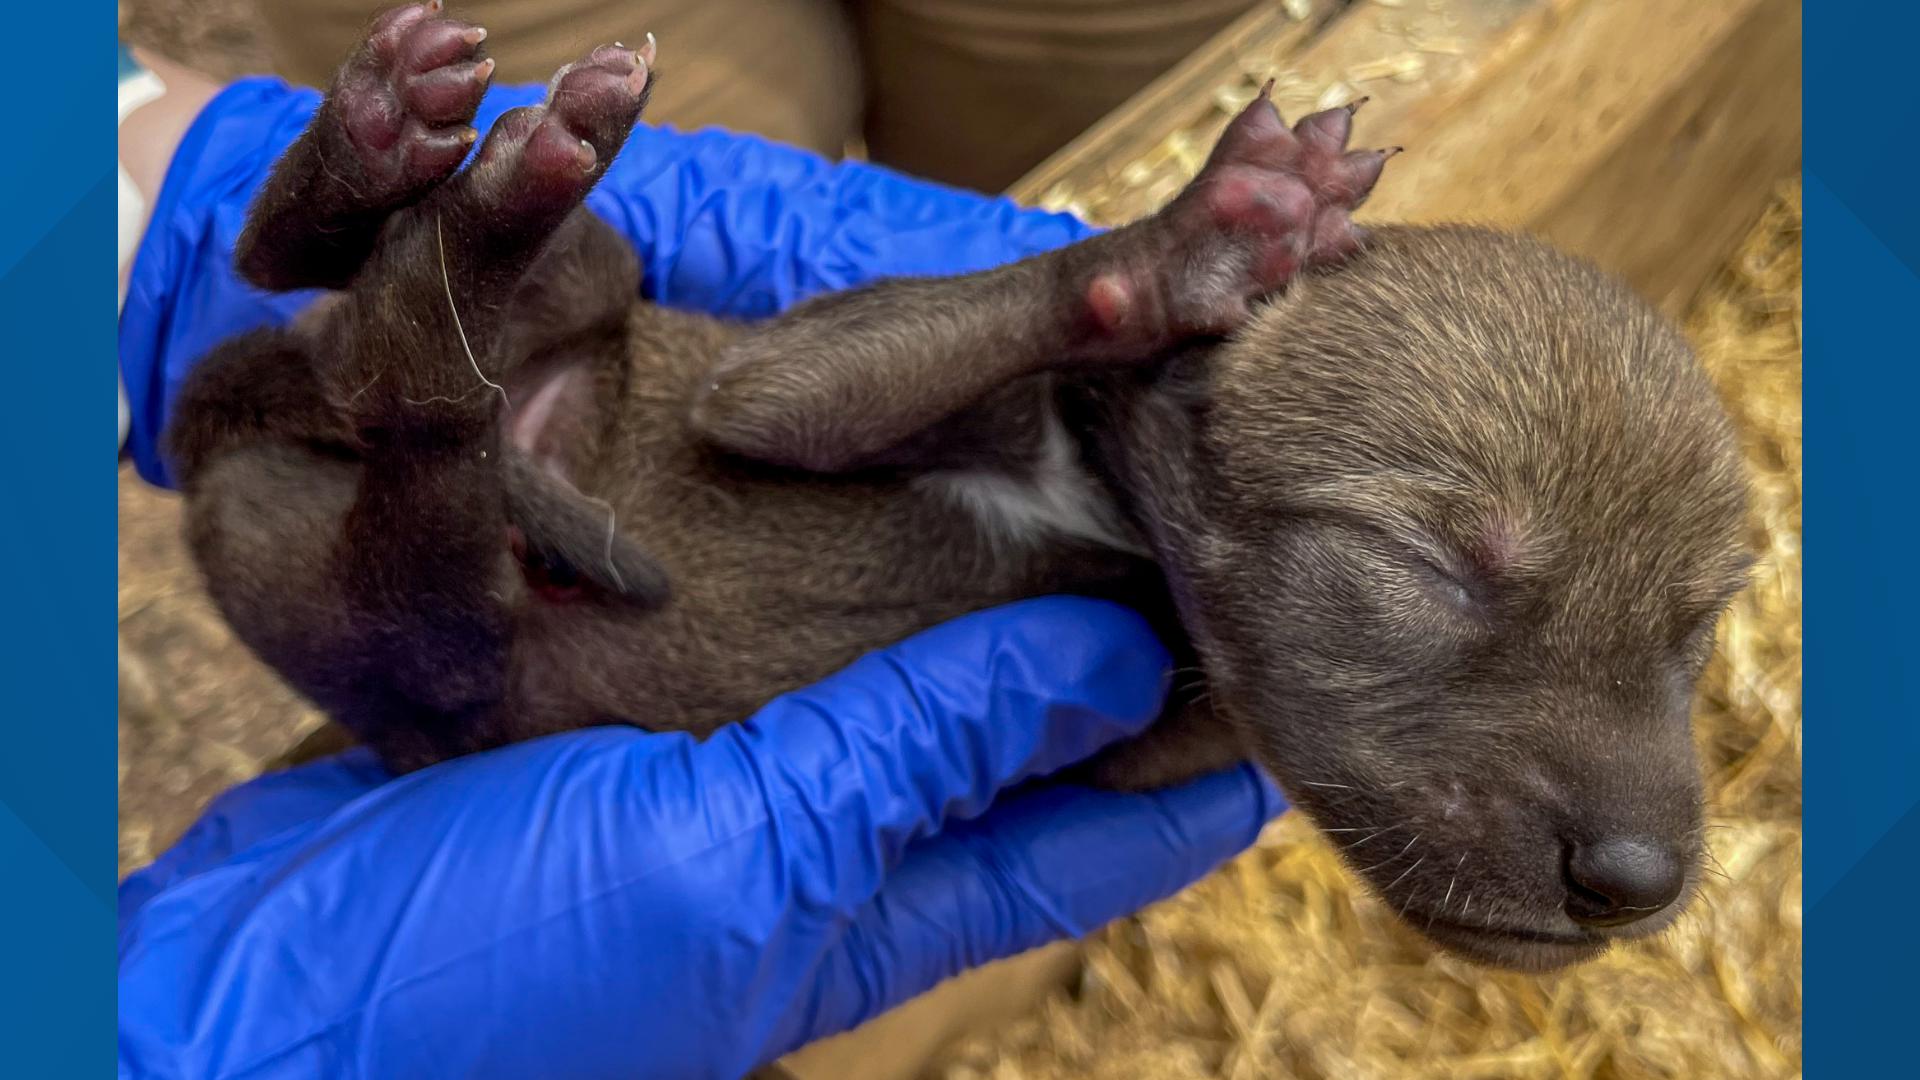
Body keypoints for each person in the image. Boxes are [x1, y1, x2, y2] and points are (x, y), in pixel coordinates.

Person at [116, 61, 1284, 1078]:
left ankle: (355, 274)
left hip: (498, 447)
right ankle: (392, 327)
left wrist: (161, 215)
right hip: (529, 526)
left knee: (557, 280)